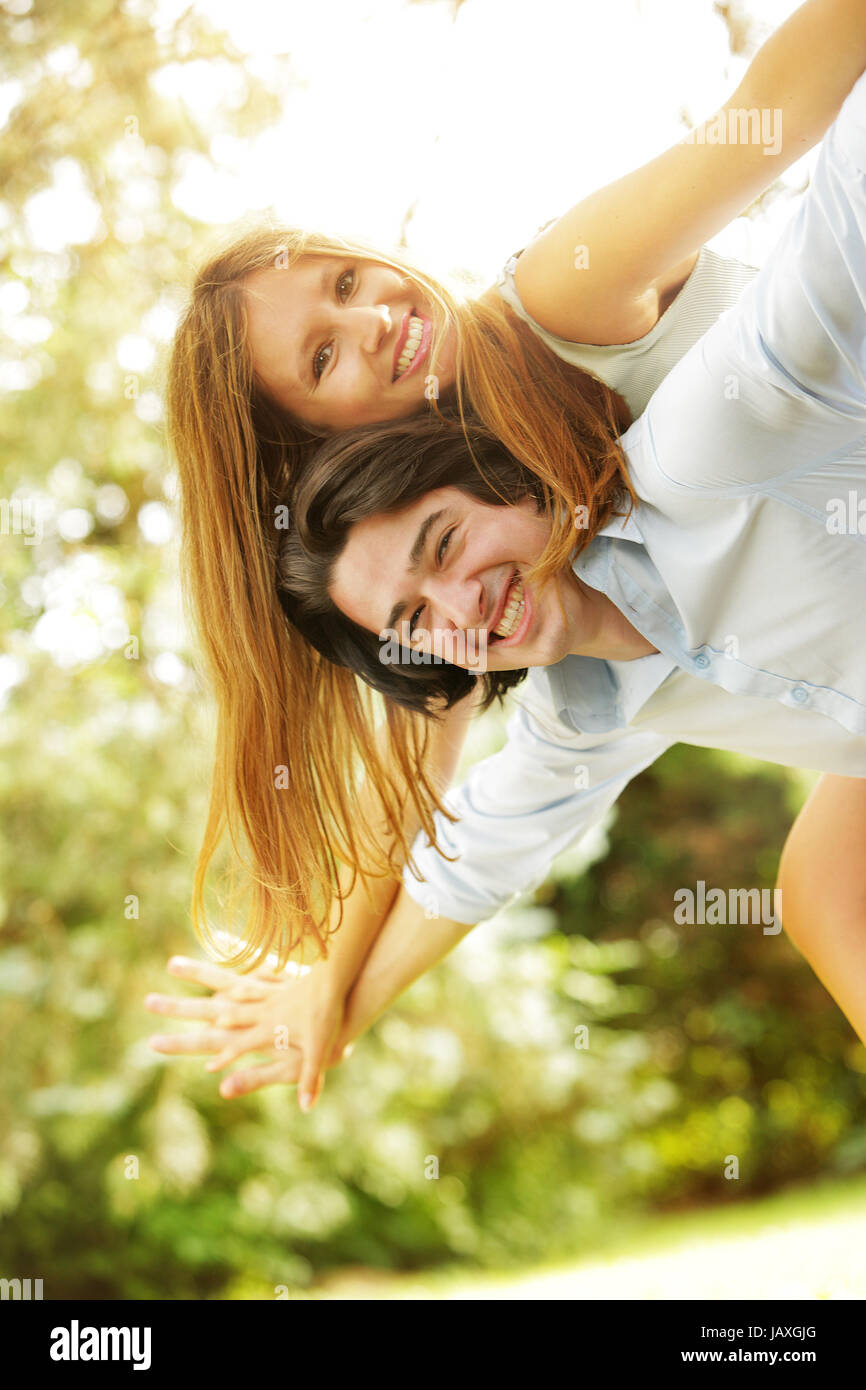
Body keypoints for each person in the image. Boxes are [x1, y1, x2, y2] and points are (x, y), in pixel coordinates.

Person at [149, 2, 866, 1110]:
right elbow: (444, 828)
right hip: (815, 595)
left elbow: (765, 119)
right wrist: (331, 1000)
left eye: (345, 283)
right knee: (823, 891)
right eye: (326, 353)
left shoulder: (552, 304)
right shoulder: (469, 578)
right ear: (328, 448)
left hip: (824, 431)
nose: (375, 319)